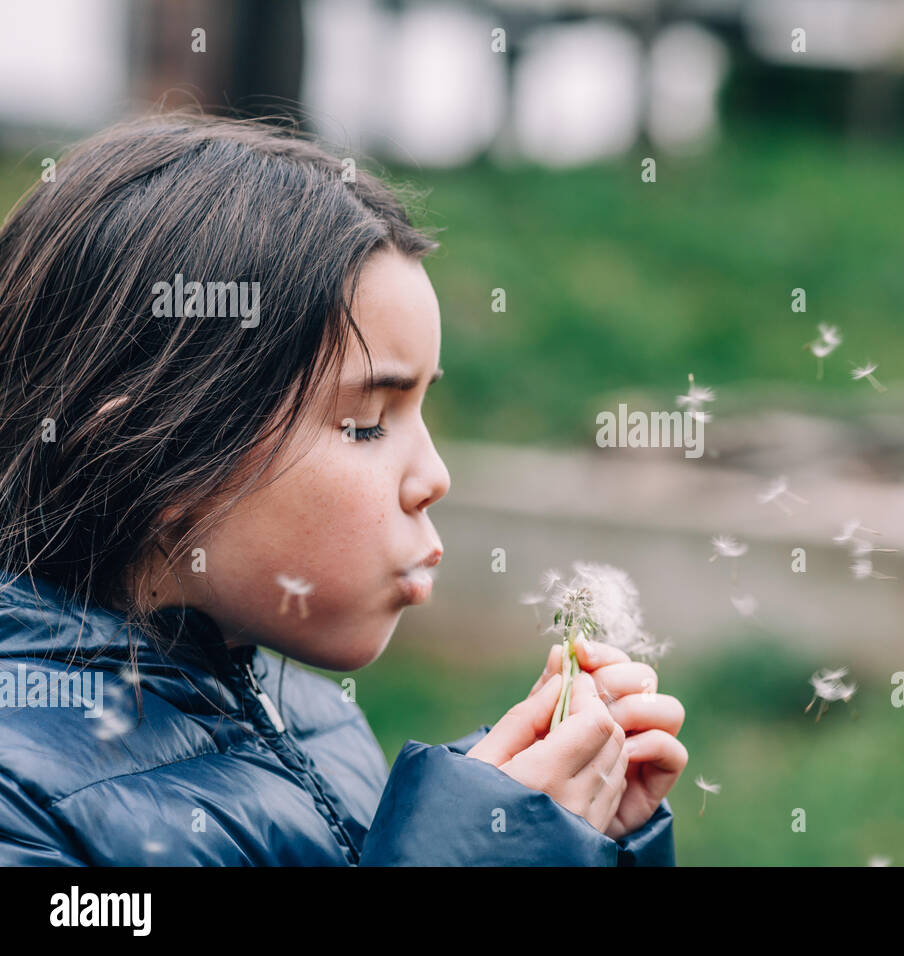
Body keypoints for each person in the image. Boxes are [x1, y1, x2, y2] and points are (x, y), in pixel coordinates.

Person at [0, 112, 687, 865]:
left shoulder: (318, 725)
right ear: (156, 450)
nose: (434, 477)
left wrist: (556, 832)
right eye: (366, 421)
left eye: (424, 406)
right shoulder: (20, 799)